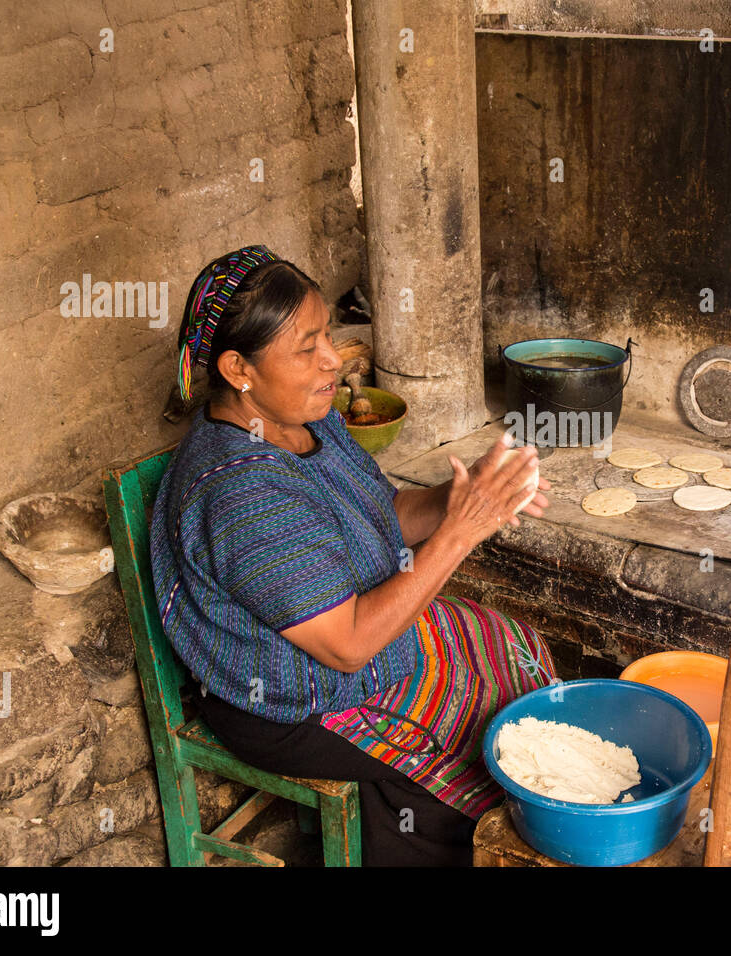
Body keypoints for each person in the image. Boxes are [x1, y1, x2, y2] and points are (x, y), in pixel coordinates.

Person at [150, 245, 556, 866]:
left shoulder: (307, 419)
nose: (332, 363)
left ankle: (401, 815)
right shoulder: (239, 491)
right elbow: (348, 645)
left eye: (328, 338)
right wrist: (461, 532)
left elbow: (384, 514)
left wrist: (462, 494)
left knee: (513, 651)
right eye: (306, 347)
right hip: (288, 699)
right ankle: (414, 834)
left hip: (350, 631)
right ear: (239, 369)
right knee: (481, 766)